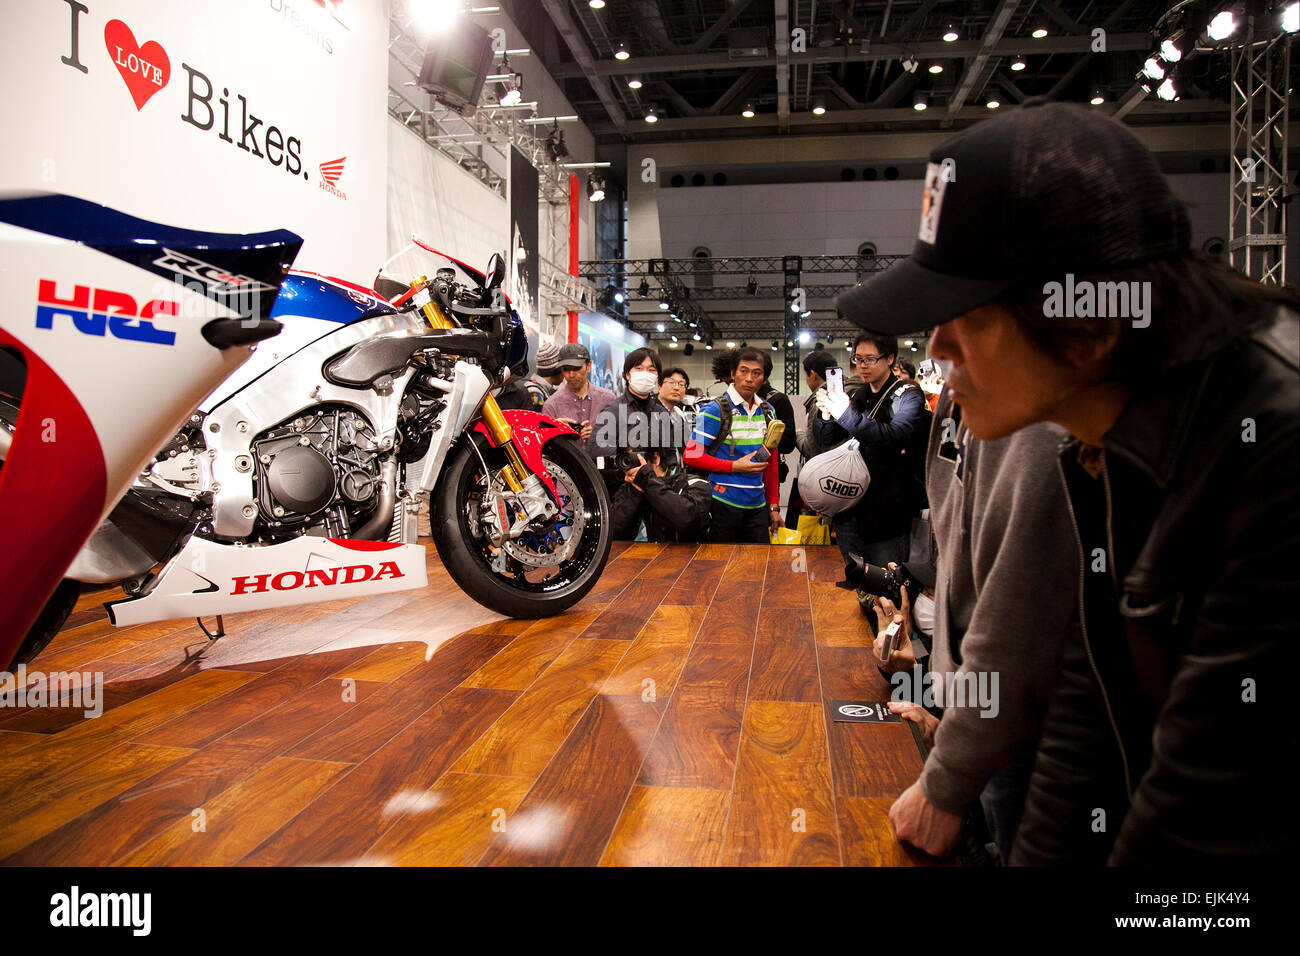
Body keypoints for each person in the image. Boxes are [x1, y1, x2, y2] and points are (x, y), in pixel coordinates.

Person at [837, 98, 1299, 866]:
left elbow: (1211, 804)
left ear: (1087, 320)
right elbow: (1087, 696)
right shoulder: (1110, 434)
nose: (939, 346)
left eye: (965, 315)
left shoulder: (1271, 448)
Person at [869, 389, 1079, 863]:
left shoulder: (1037, 414)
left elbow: (1016, 625)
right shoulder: (958, 400)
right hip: (979, 716)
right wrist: (923, 671)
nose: (941, 345)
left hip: (1023, 731)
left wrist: (951, 771)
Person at [811, 333, 927, 568]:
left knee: (890, 589)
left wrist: (845, 414)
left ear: (890, 358)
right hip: (851, 509)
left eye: (870, 359)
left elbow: (894, 436)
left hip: (888, 514)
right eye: (858, 358)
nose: (862, 366)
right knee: (857, 588)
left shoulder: (908, 397)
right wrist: (825, 414)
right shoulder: (858, 395)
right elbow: (826, 437)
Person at [683, 347, 783, 543]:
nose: (749, 378)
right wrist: (735, 466)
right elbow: (691, 455)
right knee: (721, 569)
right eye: (743, 371)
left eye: (756, 373)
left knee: (758, 569)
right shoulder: (713, 410)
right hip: (722, 504)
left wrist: (773, 506)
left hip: (758, 507)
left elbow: (771, 463)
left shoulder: (768, 411)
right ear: (732, 374)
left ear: (764, 378)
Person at [541, 343, 617, 456]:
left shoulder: (608, 399)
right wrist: (556, 433)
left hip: (604, 470)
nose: (571, 375)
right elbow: (544, 449)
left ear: (588, 366)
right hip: (568, 470)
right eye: (566, 369)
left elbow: (623, 440)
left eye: (576, 368)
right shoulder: (552, 405)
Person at [525, 342, 564, 410]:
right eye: (565, 368)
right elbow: (537, 420)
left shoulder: (542, 391)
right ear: (557, 370)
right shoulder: (535, 394)